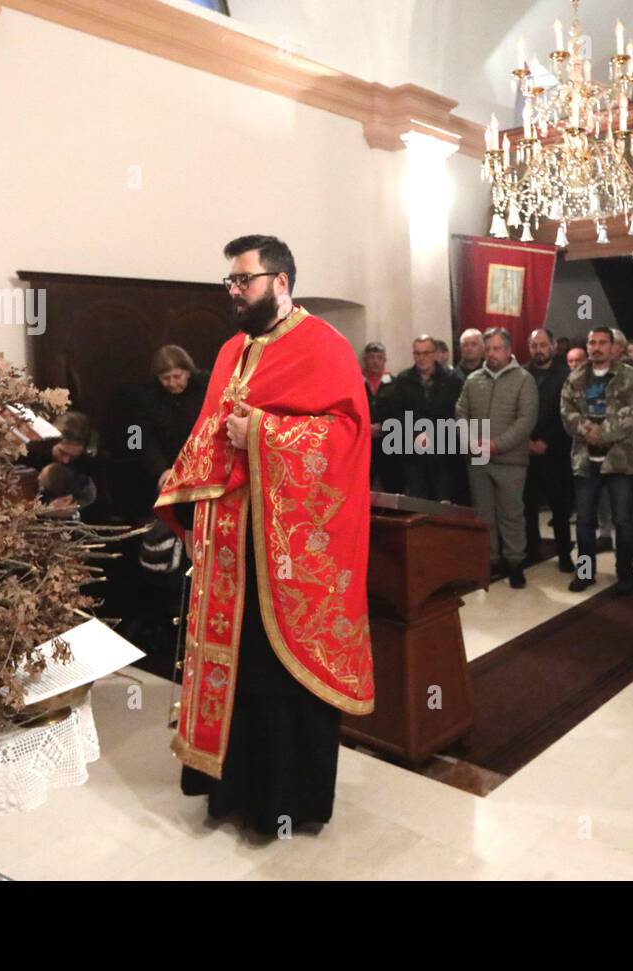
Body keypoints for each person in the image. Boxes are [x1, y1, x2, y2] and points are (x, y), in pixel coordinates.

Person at [156, 234, 374, 837]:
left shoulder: (324, 346)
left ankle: (285, 799)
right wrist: (182, 484)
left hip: (287, 552)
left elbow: (349, 436)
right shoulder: (229, 351)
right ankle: (229, 791)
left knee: (276, 677)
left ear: (280, 281)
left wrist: (269, 436)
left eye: (242, 280)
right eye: (229, 280)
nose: (233, 291)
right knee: (237, 671)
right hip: (227, 546)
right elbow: (209, 430)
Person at [561, 326, 633, 595]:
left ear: (612, 347)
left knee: (622, 520)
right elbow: (567, 411)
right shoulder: (576, 377)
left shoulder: (629, 377)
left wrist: (603, 433)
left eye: (602, 343)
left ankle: (625, 574)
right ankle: (585, 573)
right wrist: (587, 431)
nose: (596, 347)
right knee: (585, 521)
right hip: (586, 460)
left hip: (620, 460)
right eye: (592, 343)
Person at [456, 328, 539, 588]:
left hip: (510, 460)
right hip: (478, 458)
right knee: (483, 515)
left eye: (497, 348)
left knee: (511, 514)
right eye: (488, 348)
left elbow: (526, 421)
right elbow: (461, 411)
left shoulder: (524, 379)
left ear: (508, 349)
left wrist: (496, 445)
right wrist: (469, 440)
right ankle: (489, 561)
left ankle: (514, 562)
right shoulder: (474, 379)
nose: (491, 353)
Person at [127, 345, 211, 514]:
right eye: (165, 378)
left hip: (204, 467)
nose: (172, 383)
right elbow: (141, 438)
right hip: (167, 468)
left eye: (177, 376)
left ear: (188, 371)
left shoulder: (206, 385)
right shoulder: (146, 396)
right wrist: (161, 470)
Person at [524, 328, 575, 572]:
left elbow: (567, 414)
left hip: (556, 451)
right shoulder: (521, 374)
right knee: (528, 506)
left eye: (543, 345)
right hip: (525, 450)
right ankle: (531, 549)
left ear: (553, 346)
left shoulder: (567, 375)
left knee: (560, 507)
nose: (539, 350)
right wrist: (527, 440)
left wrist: (545, 440)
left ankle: (565, 553)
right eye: (534, 346)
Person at [391, 335, 463, 500]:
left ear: (435, 354)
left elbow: (457, 413)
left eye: (426, 353)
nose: (421, 358)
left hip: (444, 453)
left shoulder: (452, 379)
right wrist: (416, 433)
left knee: (443, 501)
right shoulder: (404, 379)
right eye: (417, 353)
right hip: (414, 453)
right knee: (418, 500)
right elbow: (396, 412)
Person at [362, 341, 402, 493]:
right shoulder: (357, 383)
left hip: (390, 446)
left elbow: (400, 413)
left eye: (379, 357)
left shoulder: (396, 383)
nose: (375, 361)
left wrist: (384, 427)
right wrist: (367, 428)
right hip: (365, 446)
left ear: (384, 360)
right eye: (371, 357)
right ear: (365, 359)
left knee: (393, 487)